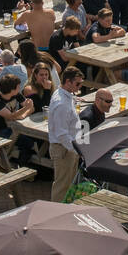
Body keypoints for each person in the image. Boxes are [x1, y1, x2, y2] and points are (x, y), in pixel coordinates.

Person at [47, 68, 85, 202]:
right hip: (64, 149)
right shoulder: (61, 103)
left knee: (68, 184)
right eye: (77, 84)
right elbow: (62, 134)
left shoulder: (64, 94)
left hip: (68, 148)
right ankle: (56, 216)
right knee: (62, 186)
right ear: (68, 82)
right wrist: (77, 150)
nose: (80, 87)